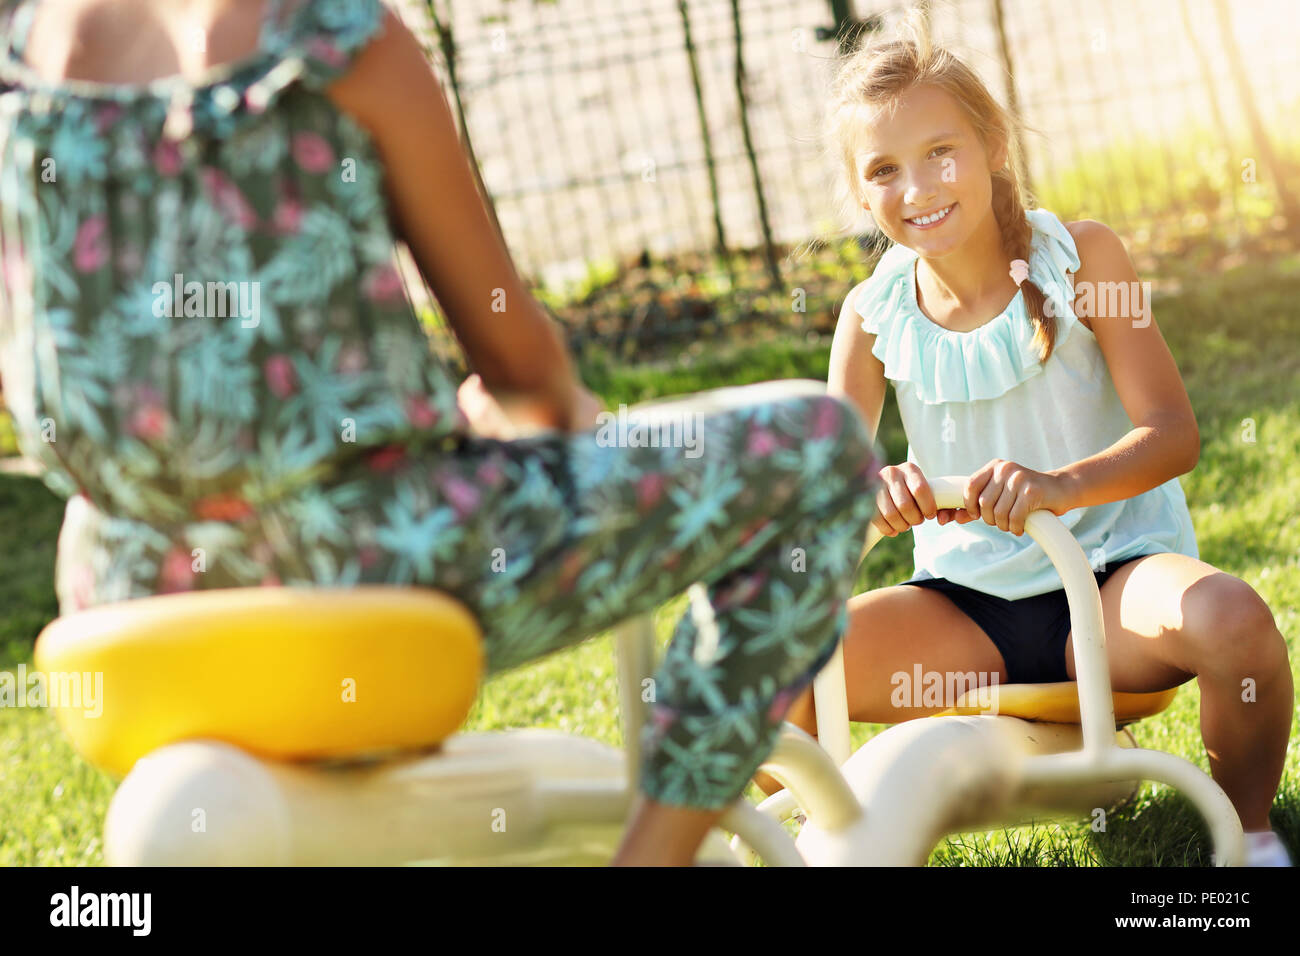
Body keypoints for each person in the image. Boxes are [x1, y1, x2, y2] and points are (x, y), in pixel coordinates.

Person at [0, 0, 883, 865]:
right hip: (367, 554)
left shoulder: (27, 52)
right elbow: (515, 361)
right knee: (820, 452)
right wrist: (538, 414)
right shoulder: (336, 37)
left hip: (123, 582)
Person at [765, 11, 1295, 866]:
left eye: (942, 152)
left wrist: (1057, 487)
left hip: (1113, 590)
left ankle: (1254, 834)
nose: (920, 187)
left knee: (1235, 621)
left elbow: (1174, 435)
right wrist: (871, 493)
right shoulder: (869, 318)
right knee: (765, 674)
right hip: (963, 617)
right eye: (885, 171)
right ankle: (813, 834)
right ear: (861, 195)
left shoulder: (1084, 258)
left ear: (993, 147)